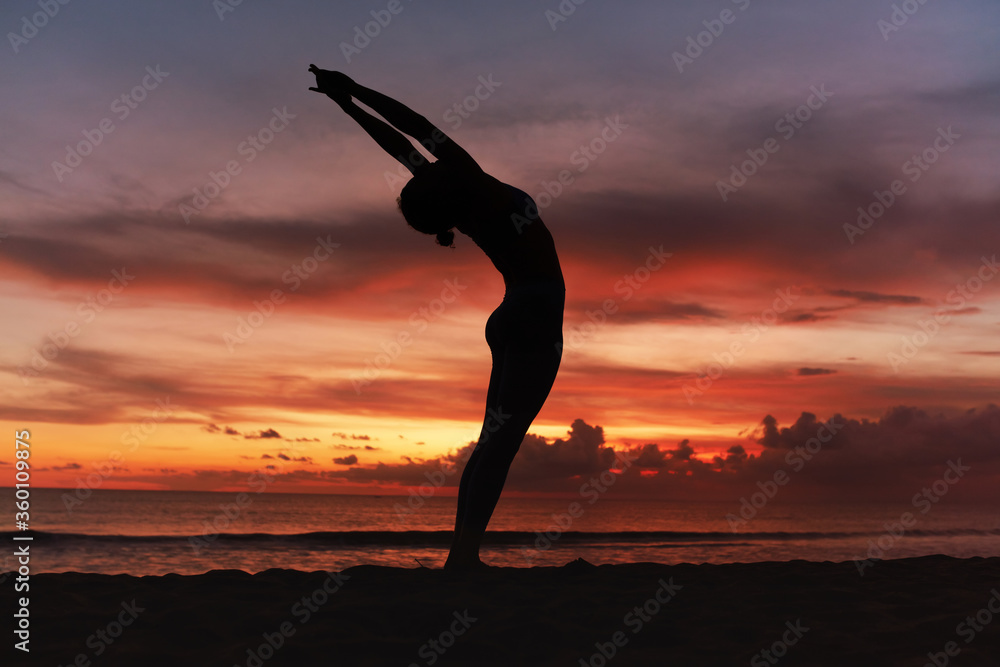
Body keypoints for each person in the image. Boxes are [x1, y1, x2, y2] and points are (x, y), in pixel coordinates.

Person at [309, 65, 565, 570]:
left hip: (510, 314)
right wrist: (355, 90)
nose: (425, 161)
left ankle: (461, 555)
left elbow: (395, 142)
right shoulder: (474, 184)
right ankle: (464, 558)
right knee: (502, 443)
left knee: (492, 441)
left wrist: (348, 107)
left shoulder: (460, 200)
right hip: (534, 311)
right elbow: (413, 124)